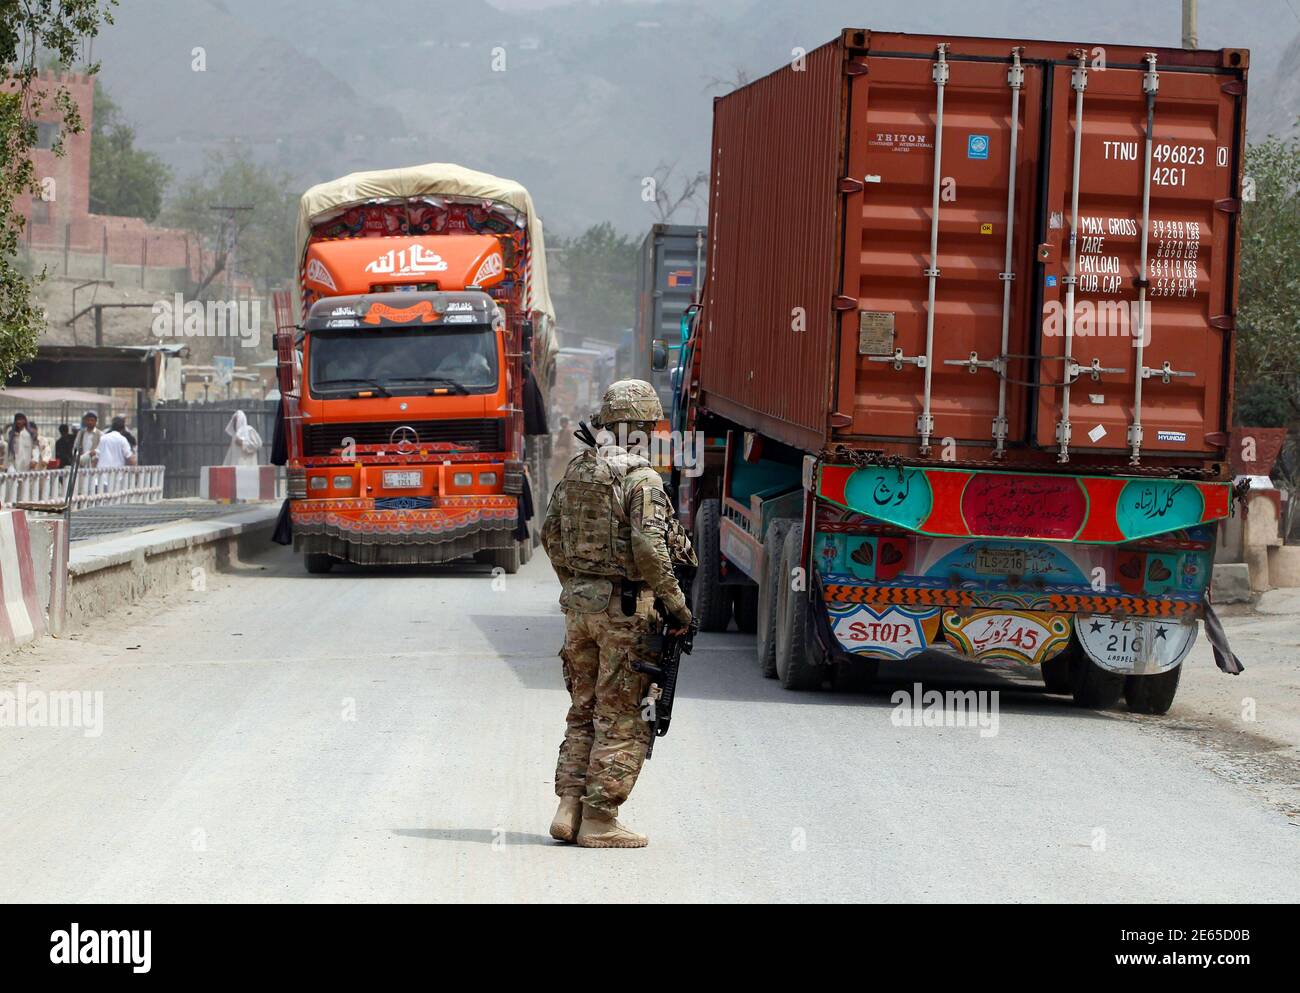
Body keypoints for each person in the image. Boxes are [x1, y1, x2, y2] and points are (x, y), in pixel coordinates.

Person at [540, 379, 693, 849]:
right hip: (626, 610)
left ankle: (568, 807)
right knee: (622, 714)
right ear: (644, 427)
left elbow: (550, 535)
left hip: (579, 610)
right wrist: (675, 603)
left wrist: (577, 585)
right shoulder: (641, 479)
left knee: (582, 710)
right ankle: (600, 819)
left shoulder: (578, 469)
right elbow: (650, 548)